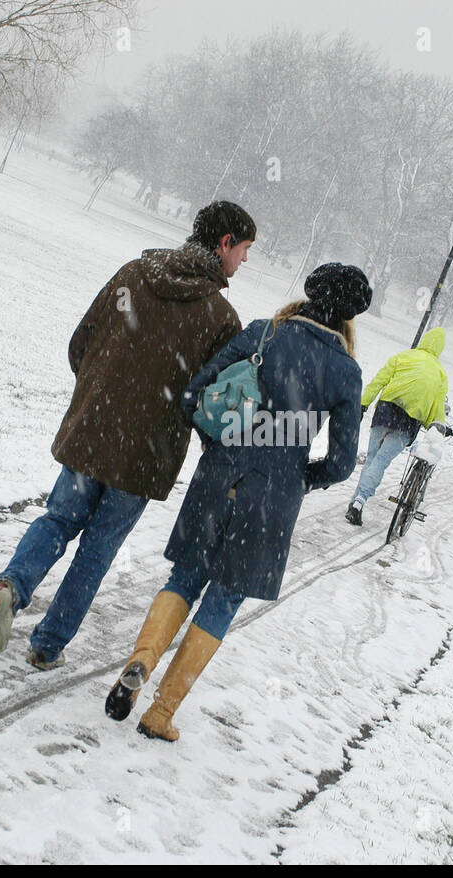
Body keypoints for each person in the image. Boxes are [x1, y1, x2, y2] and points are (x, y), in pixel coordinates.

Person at [0, 201, 256, 669]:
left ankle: (11, 585)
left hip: (94, 431)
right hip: (145, 457)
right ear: (224, 243)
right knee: (98, 549)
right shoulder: (220, 317)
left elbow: (81, 342)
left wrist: (98, 395)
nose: (244, 261)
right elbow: (209, 402)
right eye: (245, 249)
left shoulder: (134, 272)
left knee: (59, 519)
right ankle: (48, 645)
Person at [105, 264, 370, 741]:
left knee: (183, 577)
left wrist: (220, 442)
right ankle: (161, 714)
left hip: (220, 471)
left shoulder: (264, 334)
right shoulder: (347, 373)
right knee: (224, 598)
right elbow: (342, 462)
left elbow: (195, 393)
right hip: (274, 497)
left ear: (309, 296)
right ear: (350, 316)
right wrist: (302, 477)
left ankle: (141, 661)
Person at [345, 327, 450, 524]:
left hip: (385, 411)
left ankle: (356, 502)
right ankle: (359, 501)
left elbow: (378, 381)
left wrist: (363, 404)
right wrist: (436, 427)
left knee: (372, 459)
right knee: (381, 461)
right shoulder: (440, 374)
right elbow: (437, 406)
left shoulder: (403, 357)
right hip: (407, 421)